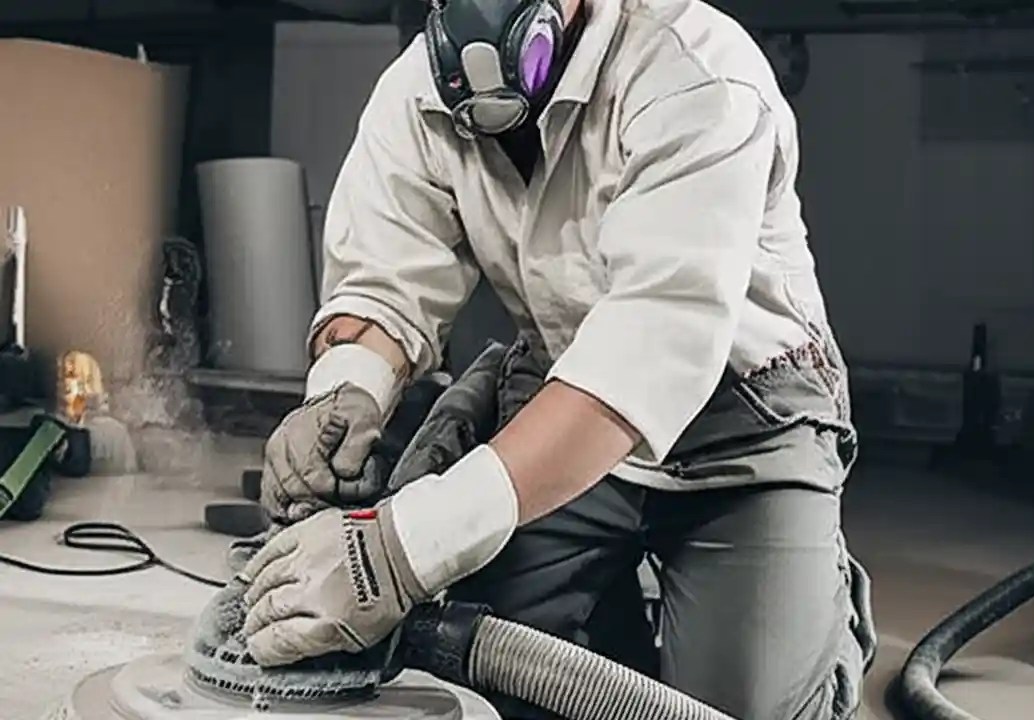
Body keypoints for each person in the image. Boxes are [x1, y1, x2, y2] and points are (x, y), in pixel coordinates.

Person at [236, 0, 875, 718]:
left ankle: (818, 621)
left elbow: (648, 351)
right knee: (509, 671)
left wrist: (398, 550)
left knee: (745, 707)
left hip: (743, 420)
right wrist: (346, 390)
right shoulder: (417, 93)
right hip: (561, 386)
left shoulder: (694, 71)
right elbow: (384, 282)